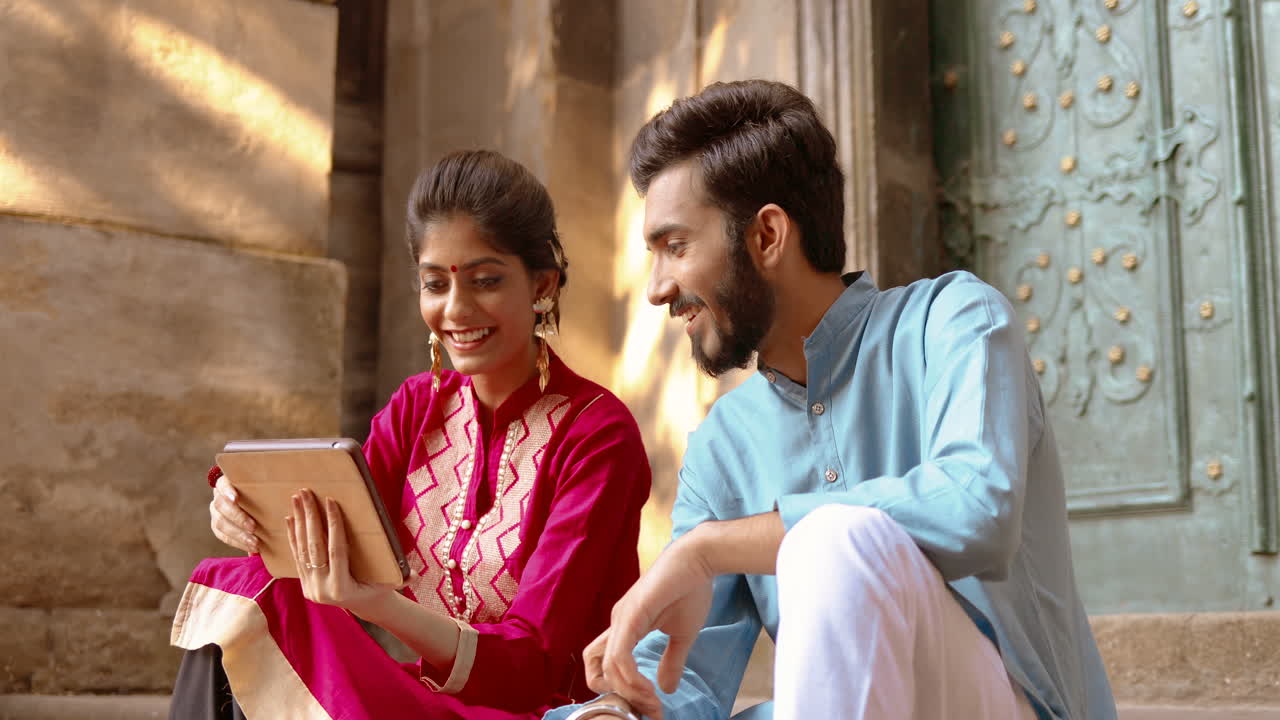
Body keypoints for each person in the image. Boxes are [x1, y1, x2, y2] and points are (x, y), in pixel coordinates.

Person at [547, 80, 1116, 720]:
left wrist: (709, 547)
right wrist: (617, 710)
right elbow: (686, 677)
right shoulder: (722, 445)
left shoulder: (953, 322)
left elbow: (976, 508)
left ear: (766, 236)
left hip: (1003, 702)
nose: (656, 289)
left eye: (675, 247)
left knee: (832, 543)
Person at [168, 150, 652, 720]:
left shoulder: (598, 434)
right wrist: (240, 503)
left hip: (550, 711)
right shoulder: (419, 407)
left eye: (486, 280)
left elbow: (535, 663)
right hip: (432, 700)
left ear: (541, 284)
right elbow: (334, 519)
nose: (456, 308)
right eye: (434, 283)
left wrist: (377, 605)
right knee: (246, 583)